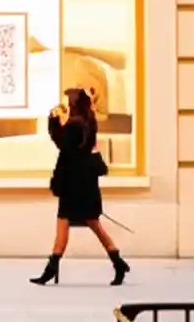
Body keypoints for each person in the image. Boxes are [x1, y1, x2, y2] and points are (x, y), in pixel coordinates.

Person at [29, 87, 130, 286]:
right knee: (92, 225)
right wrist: (58, 122)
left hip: (73, 185)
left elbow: (64, 149)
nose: (65, 105)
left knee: (65, 224)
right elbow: (72, 148)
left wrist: (54, 122)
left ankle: (51, 270)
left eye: (67, 102)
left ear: (73, 104)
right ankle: (117, 263)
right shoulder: (88, 122)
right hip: (86, 185)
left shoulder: (73, 126)